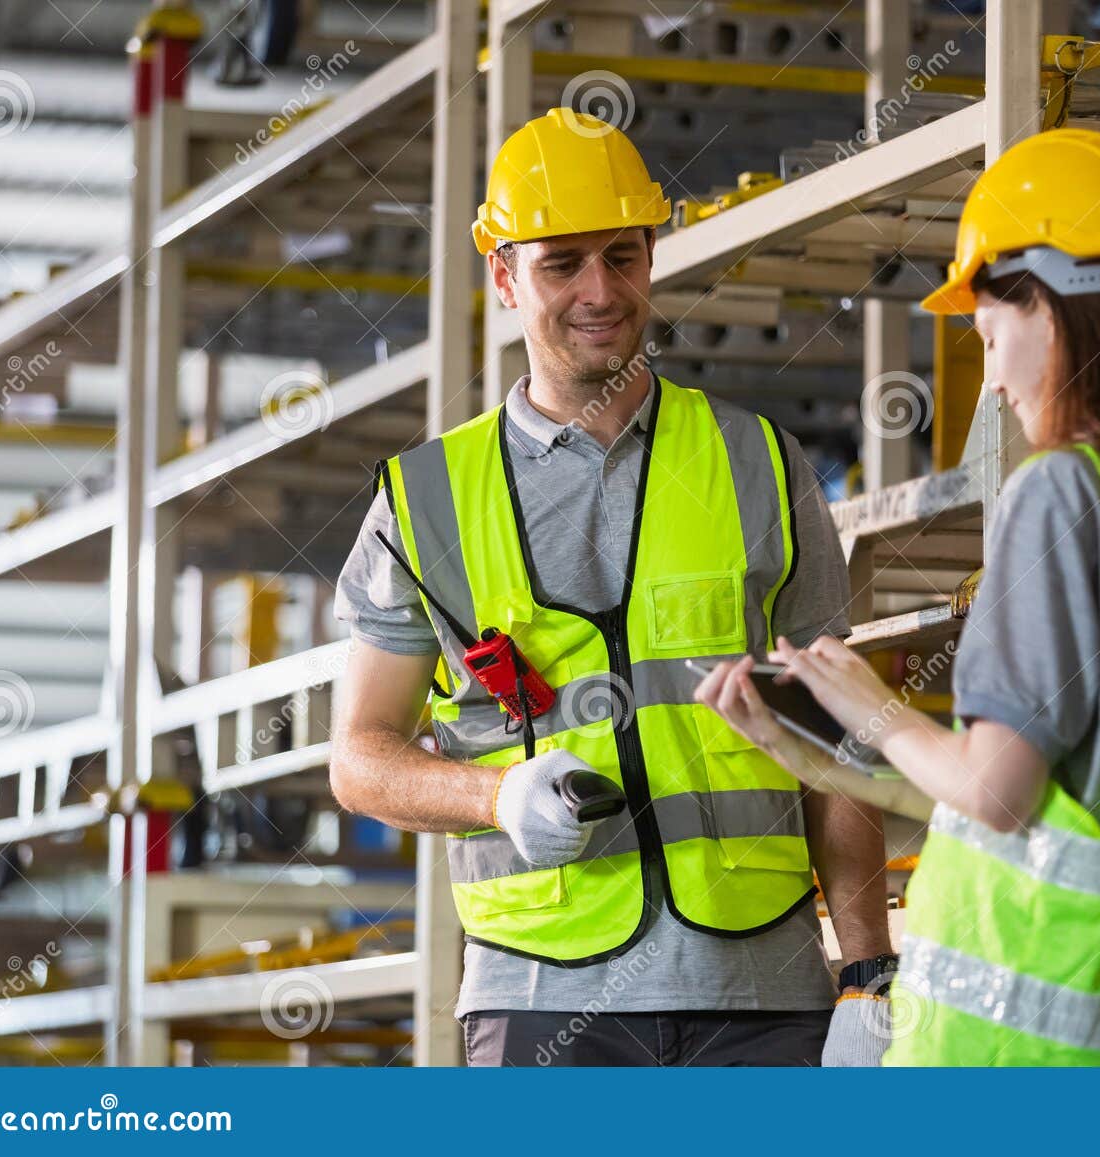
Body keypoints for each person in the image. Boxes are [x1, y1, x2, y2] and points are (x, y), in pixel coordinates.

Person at [694, 128, 1100, 1066]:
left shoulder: (1064, 492)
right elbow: (1072, 802)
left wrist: (875, 705)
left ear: (1054, 310)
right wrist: (812, 752)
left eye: (989, 335)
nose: (994, 382)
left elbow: (996, 791)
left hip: (1010, 1056)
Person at [330, 108, 894, 1067]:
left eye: (623, 256)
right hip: (539, 993)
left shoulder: (758, 461)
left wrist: (867, 972)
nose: (601, 291)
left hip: (762, 991)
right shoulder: (425, 498)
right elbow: (359, 759)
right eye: (562, 263)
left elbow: (832, 736)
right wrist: (497, 795)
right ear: (504, 275)